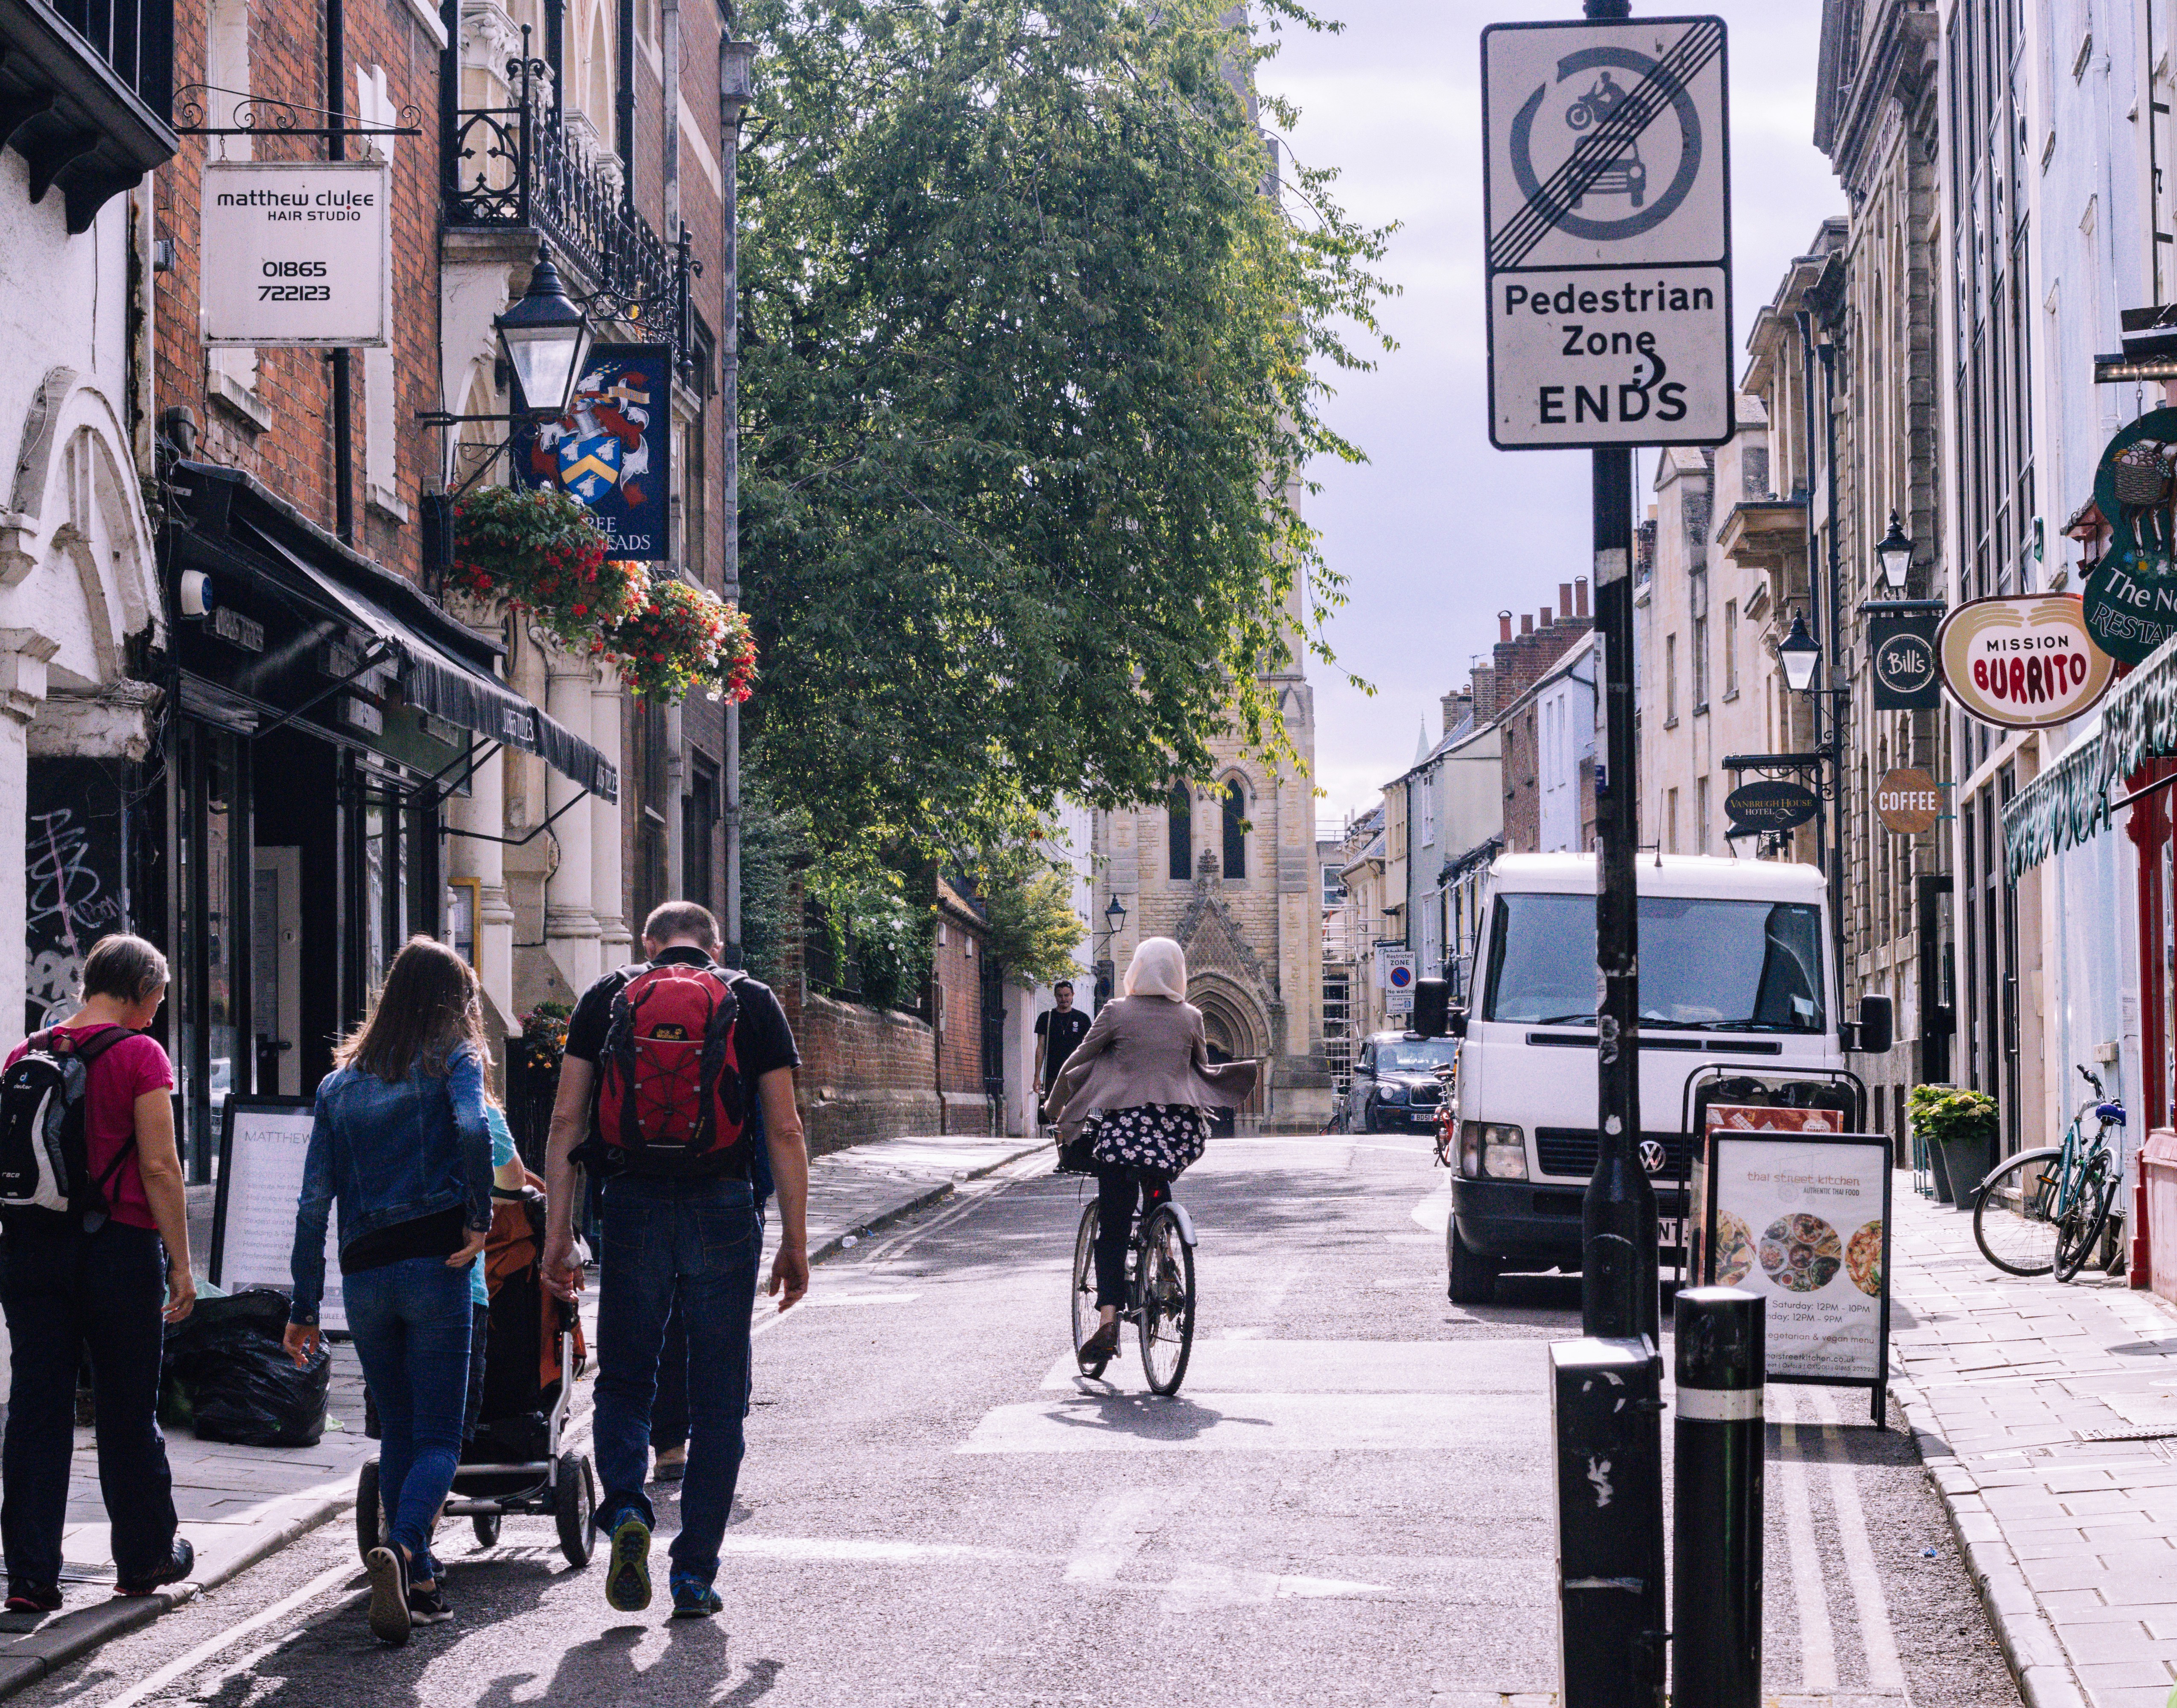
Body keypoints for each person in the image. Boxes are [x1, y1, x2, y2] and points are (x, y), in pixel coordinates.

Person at [541, 901, 810, 1620]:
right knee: (719, 1397)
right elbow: (783, 1128)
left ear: (649, 944)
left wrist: (557, 1237)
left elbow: (566, 1120)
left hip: (629, 1207)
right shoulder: (750, 1000)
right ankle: (693, 1573)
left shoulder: (606, 998)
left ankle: (627, 1505)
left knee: (625, 1379)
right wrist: (794, 1240)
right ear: (713, 946)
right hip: (723, 1207)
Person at [283, 938, 494, 1647]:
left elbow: (313, 1203)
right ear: (448, 1003)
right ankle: (403, 1549)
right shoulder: (452, 1059)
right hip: (436, 1262)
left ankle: (421, 1585)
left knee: (399, 1426)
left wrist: (303, 1306)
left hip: (363, 1271)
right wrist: (478, 1218)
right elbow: (472, 1125)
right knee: (438, 1434)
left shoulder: (338, 1086)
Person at [0, 934, 195, 1613]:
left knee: (36, 1408)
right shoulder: (140, 1053)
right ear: (139, 990)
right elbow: (159, 1167)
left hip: (29, 1249)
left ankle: (28, 1576)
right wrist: (183, 1265)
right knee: (124, 1407)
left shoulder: (27, 1053)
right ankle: (143, 1561)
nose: (155, 1014)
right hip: (119, 1248)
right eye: (157, 1000)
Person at [1043, 938, 1257, 1362]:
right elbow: (1199, 1068)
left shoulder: (1116, 1012)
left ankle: (1107, 1322)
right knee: (1156, 1182)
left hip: (1124, 1130)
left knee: (1114, 1224)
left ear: (1137, 970)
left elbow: (1077, 1062)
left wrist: (1054, 1109)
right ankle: (1165, 1252)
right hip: (1174, 1135)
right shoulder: (1192, 1016)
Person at [1033, 981, 1092, 1105]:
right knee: (1053, 1111)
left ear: (1073, 995)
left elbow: (1088, 1048)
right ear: (1055, 996)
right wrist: (1037, 1076)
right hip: (1052, 1075)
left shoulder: (1082, 1019)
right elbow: (1041, 1048)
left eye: (1067, 995)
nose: (1064, 999)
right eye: (1060, 996)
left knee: (1073, 1109)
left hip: (1075, 1074)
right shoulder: (1046, 1018)